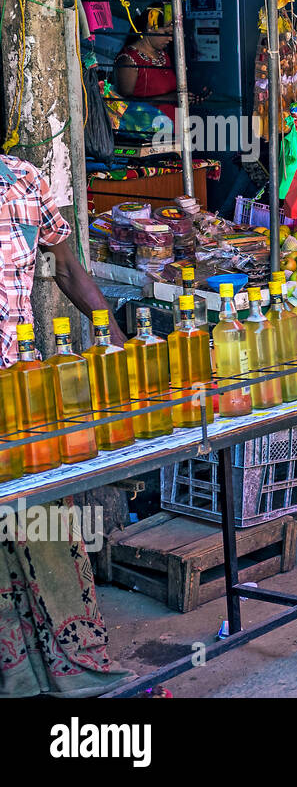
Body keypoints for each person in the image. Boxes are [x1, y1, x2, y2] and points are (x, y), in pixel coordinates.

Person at [0, 152, 132, 696]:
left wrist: (118, 343)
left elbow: (69, 268)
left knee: (43, 517)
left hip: (21, 384)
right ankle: (17, 673)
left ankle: (75, 662)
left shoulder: (25, 179)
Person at [112, 2, 187, 136]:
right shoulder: (128, 59)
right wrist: (169, 98)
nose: (170, 38)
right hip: (145, 137)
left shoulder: (164, 56)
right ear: (151, 27)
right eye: (166, 33)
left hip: (171, 135)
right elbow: (124, 106)